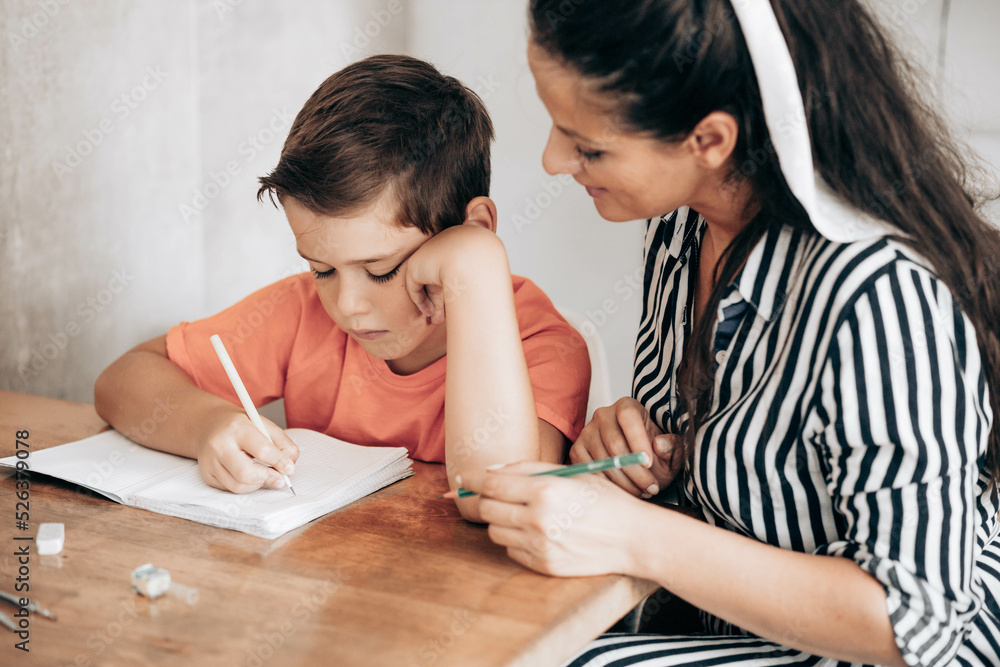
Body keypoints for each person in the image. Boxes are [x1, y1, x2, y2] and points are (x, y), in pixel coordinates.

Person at [456, 0, 1000, 664]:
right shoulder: (681, 226)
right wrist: (633, 453)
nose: (551, 161)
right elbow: (703, 472)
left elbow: (911, 618)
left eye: (588, 144)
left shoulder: (878, 293)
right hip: (730, 623)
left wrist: (637, 534)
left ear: (711, 141)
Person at [94, 54, 591, 523]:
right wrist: (205, 425)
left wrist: (478, 263)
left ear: (470, 230)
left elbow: (492, 494)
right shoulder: (301, 313)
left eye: (379, 270)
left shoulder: (544, 348)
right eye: (322, 269)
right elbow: (121, 381)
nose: (348, 307)